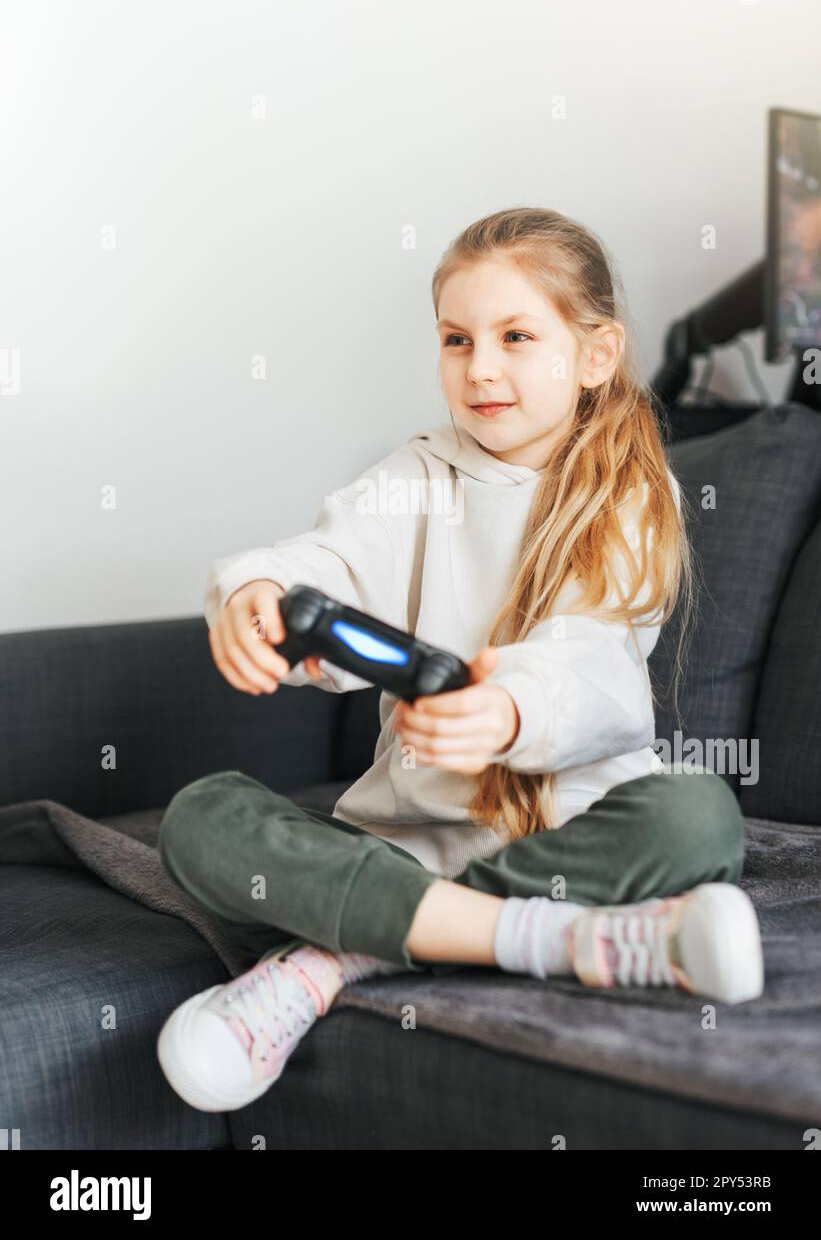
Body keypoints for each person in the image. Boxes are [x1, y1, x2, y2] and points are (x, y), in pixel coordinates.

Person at [156, 206, 764, 1114]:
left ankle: (339, 953)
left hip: (564, 836)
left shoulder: (632, 495)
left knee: (697, 817)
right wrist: (258, 594)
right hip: (399, 842)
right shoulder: (415, 475)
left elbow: (594, 650)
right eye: (456, 339)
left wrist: (512, 711)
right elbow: (325, 561)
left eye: (516, 337)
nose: (479, 367)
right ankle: (553, 939)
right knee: (200, 816)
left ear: (594, 356)